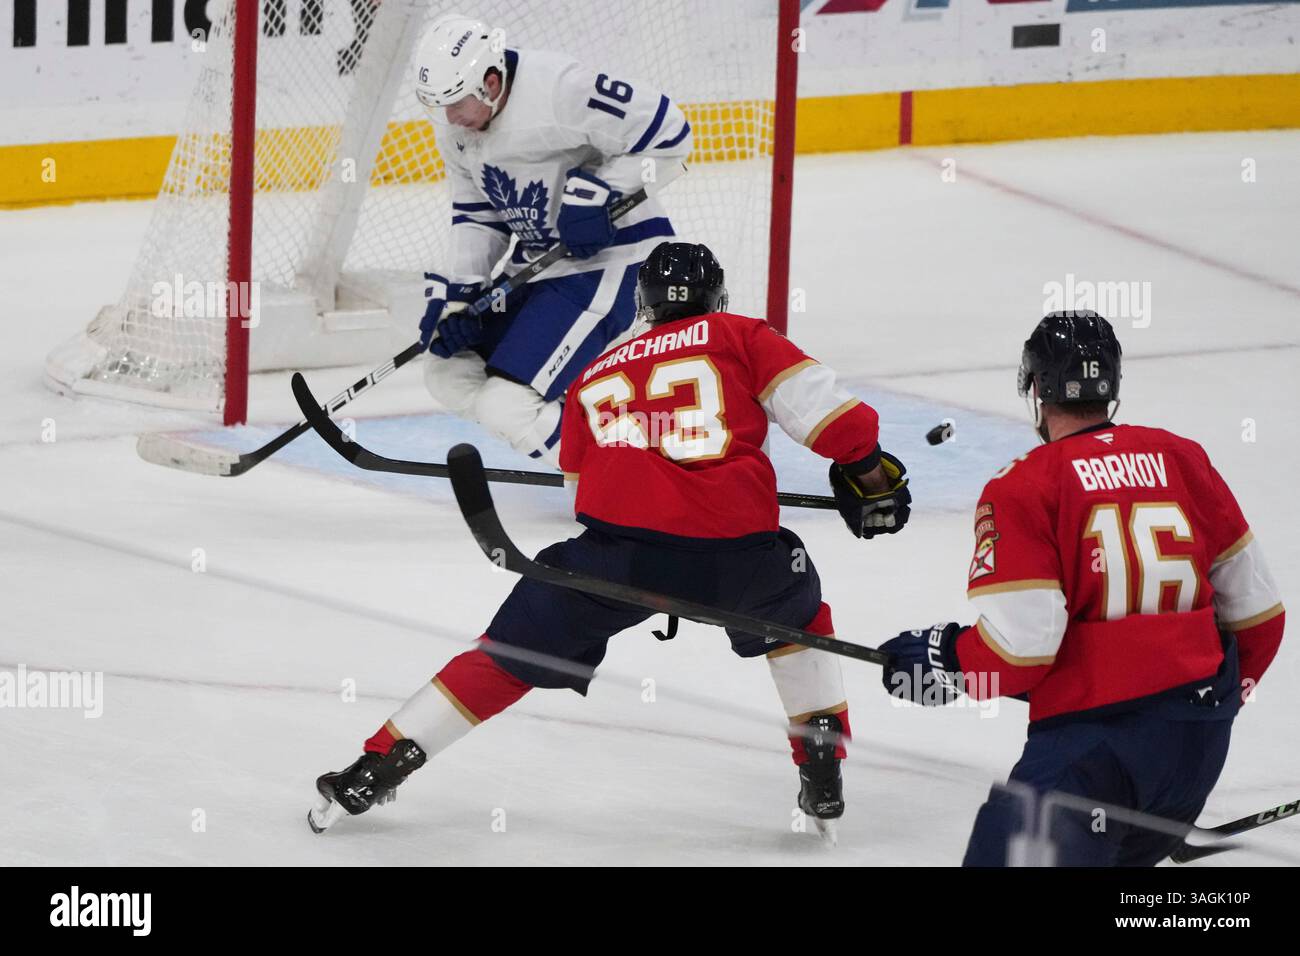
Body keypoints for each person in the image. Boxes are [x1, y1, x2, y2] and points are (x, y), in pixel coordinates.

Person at [309, 242, 912, 838]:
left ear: (643, 303)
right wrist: (870, 479)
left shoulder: (596, 371)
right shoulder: (741, 334)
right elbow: (842, 423)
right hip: (740, 558)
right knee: (800, 617)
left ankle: (378, 764)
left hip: (614, 563)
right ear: (716, 296)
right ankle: (821, 764)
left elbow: (579, 484)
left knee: (508, 653)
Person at [878, 311, 1286, 866]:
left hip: (1093, 759)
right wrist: (1205, 713)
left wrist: (948, 659)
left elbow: (1022, 650)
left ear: (1037, 390)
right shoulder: (1181, 456)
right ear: (1110, 387)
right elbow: (1261, 615)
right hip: (1198, 748)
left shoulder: (1023, 485)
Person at [411, 15, 693, 468]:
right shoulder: (458, 128)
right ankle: (594, 439)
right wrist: (459, 295)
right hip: (540, 267)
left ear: (490, 81)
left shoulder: (561, 88)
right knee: (448, 372)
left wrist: (602, 192)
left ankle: (624, 485)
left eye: (457, 102)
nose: (450, 118)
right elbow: (478, 215)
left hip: (613, 260)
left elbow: (670, 132)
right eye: (440, 106)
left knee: (506, 405)